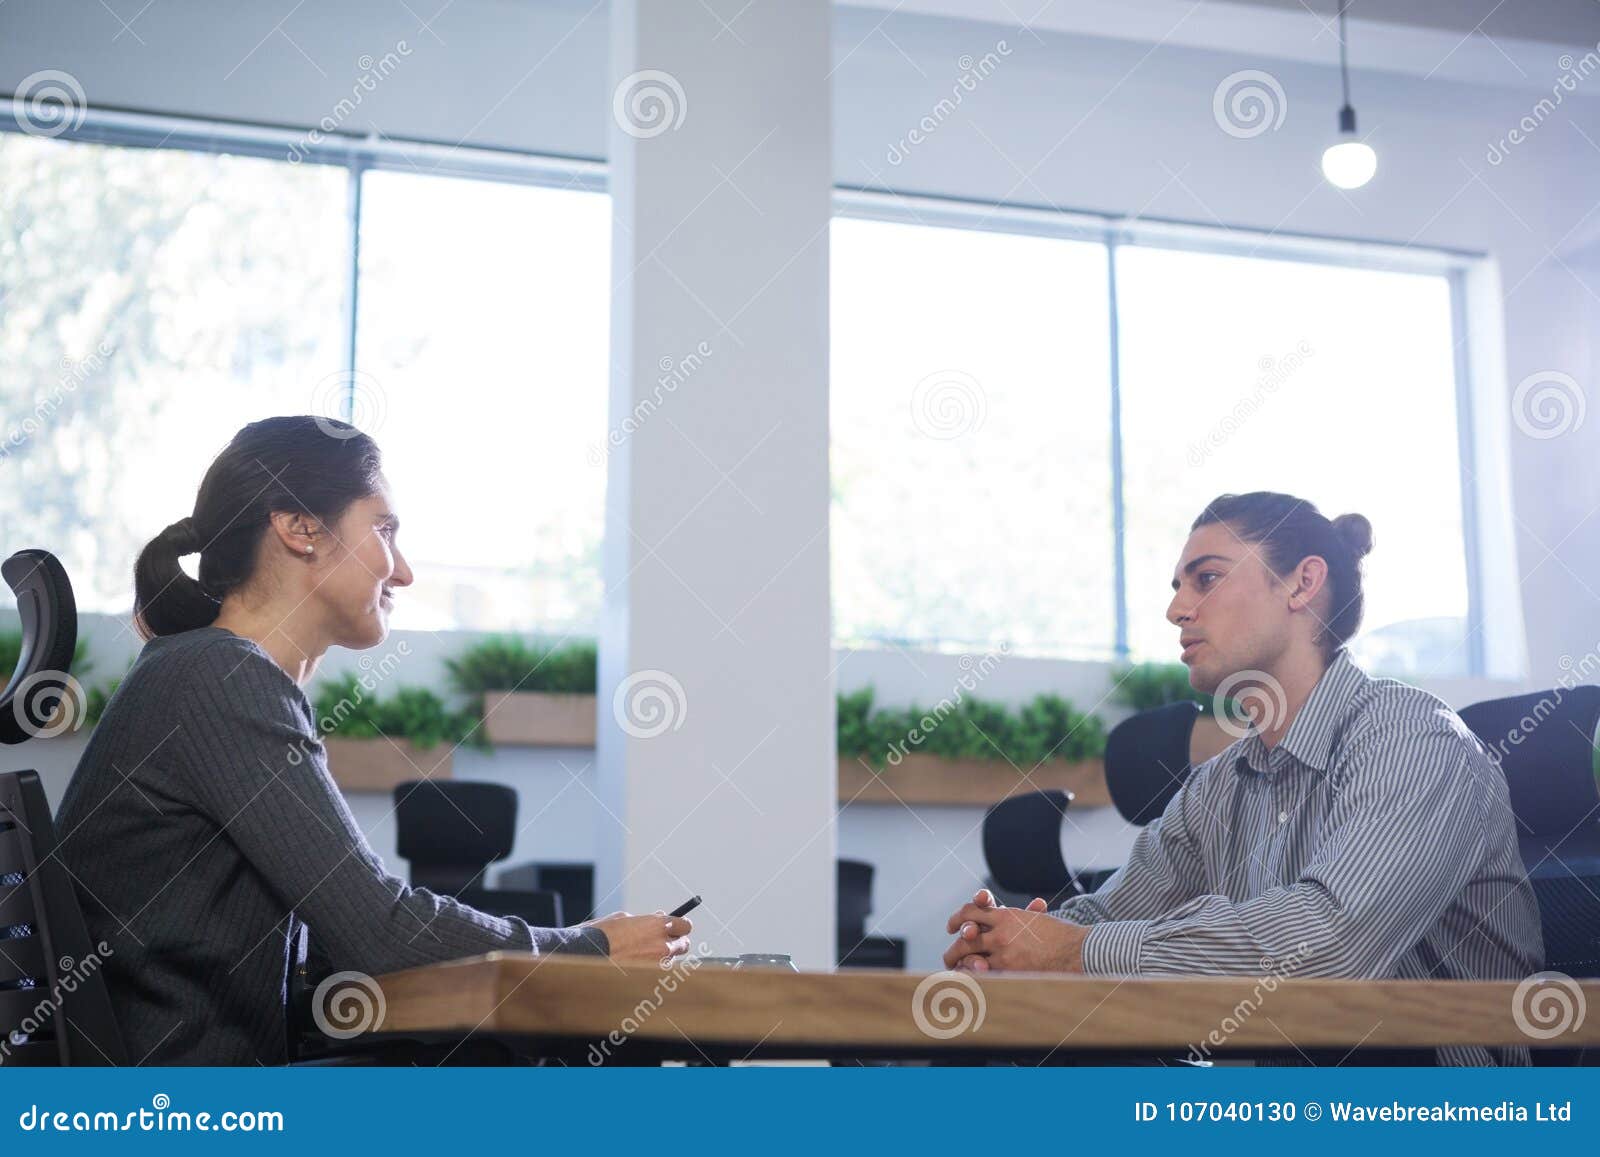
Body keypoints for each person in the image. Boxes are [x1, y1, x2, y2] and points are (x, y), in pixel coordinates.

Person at [56, 416, 691, 1065]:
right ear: (299, 527)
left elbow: (350, 932)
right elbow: (380, 930)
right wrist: (590, 950)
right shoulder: (222, 680)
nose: (405, 571)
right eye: (384, 529)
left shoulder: (204, 674)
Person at [942, 491, 1542, 1066]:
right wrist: (1006, 944)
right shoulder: (1220, 785)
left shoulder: (1413, 740)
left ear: (1302, 585)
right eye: (1178, 587)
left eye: (1206, 578)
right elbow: (1108, 916)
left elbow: (1328, 945)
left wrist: (1071, 951)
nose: (1177, 609)